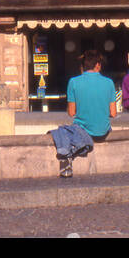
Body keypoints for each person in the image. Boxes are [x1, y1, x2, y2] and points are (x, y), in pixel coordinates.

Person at [50, 49, 118, 177]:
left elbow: (71, 112)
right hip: (103, 130)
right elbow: (113, 113)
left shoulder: (74, 82)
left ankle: (66, 157)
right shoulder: (109, 82)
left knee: (61, 130)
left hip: (83, 129)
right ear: (98, 64)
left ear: (83, 65)